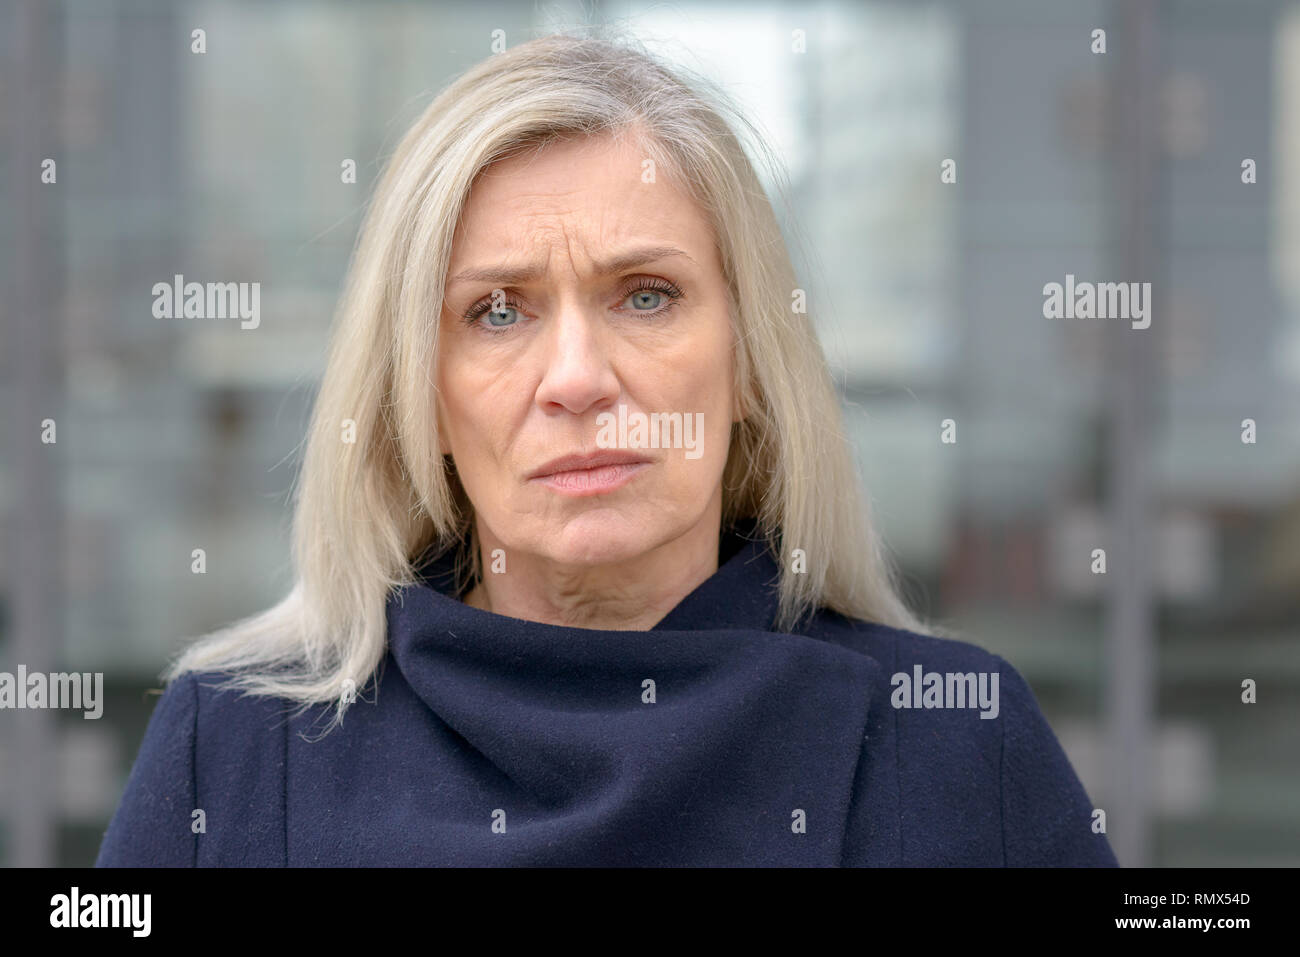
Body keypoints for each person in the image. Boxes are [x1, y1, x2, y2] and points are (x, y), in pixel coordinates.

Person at [96, 31, 1117, 867]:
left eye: (645, 295)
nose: (576, 377)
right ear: (421, 392)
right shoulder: (230, 753)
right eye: (497, 312)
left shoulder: (954, 745)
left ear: (750, 359)